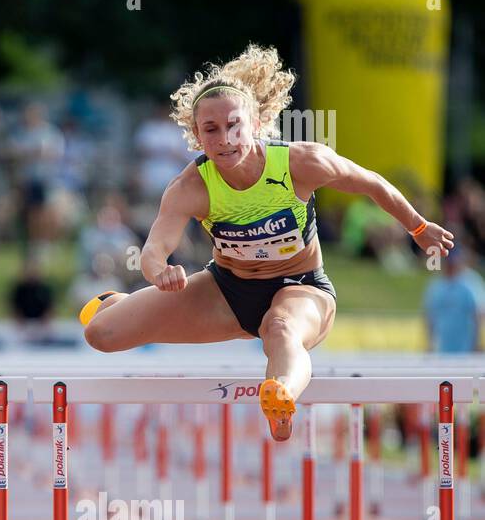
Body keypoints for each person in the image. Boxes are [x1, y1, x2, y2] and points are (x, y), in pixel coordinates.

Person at [79, 43, 452, 440]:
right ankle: (120, 304)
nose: (225, 139)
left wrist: (416, 226)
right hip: (227, 291)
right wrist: (160, 274)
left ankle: (282, 397)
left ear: (255, 123)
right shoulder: (190, 187)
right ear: (196, 136)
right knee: (100, 335)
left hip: (301, 289)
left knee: (280, 326)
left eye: (234, 125)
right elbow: (154, 249)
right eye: (211, 130)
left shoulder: (299, 162)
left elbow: (369, 182)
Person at [423, 247, 485, 353]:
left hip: (466, 345)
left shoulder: (471, 282)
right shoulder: (436, 285)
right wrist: (430, 342)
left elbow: (478, 314)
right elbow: (430, 315)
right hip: (442, 346)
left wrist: (477, 342)